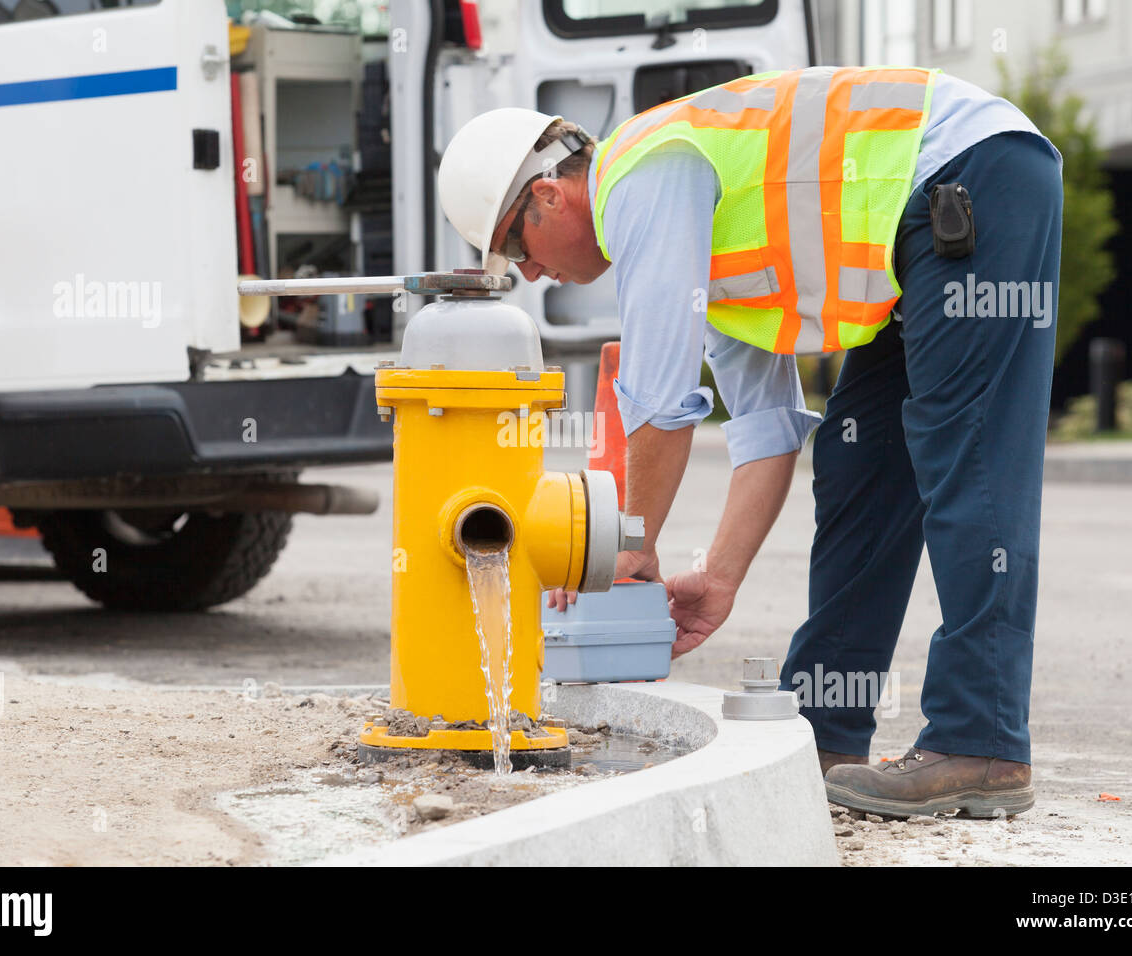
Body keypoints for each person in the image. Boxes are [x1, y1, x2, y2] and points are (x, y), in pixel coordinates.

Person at [436, 66, 1062, 819]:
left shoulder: (644, 172)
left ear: (545, 196)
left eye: (516, 249)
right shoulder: (704, 237)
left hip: (967, 173)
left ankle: (981, 742)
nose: (533, 275)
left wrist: (632, 547)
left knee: (968, 454)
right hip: (919, 214)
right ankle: (826, 731)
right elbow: (767, 432)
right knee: (859, 458)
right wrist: (721, 576)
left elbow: (660, 402)